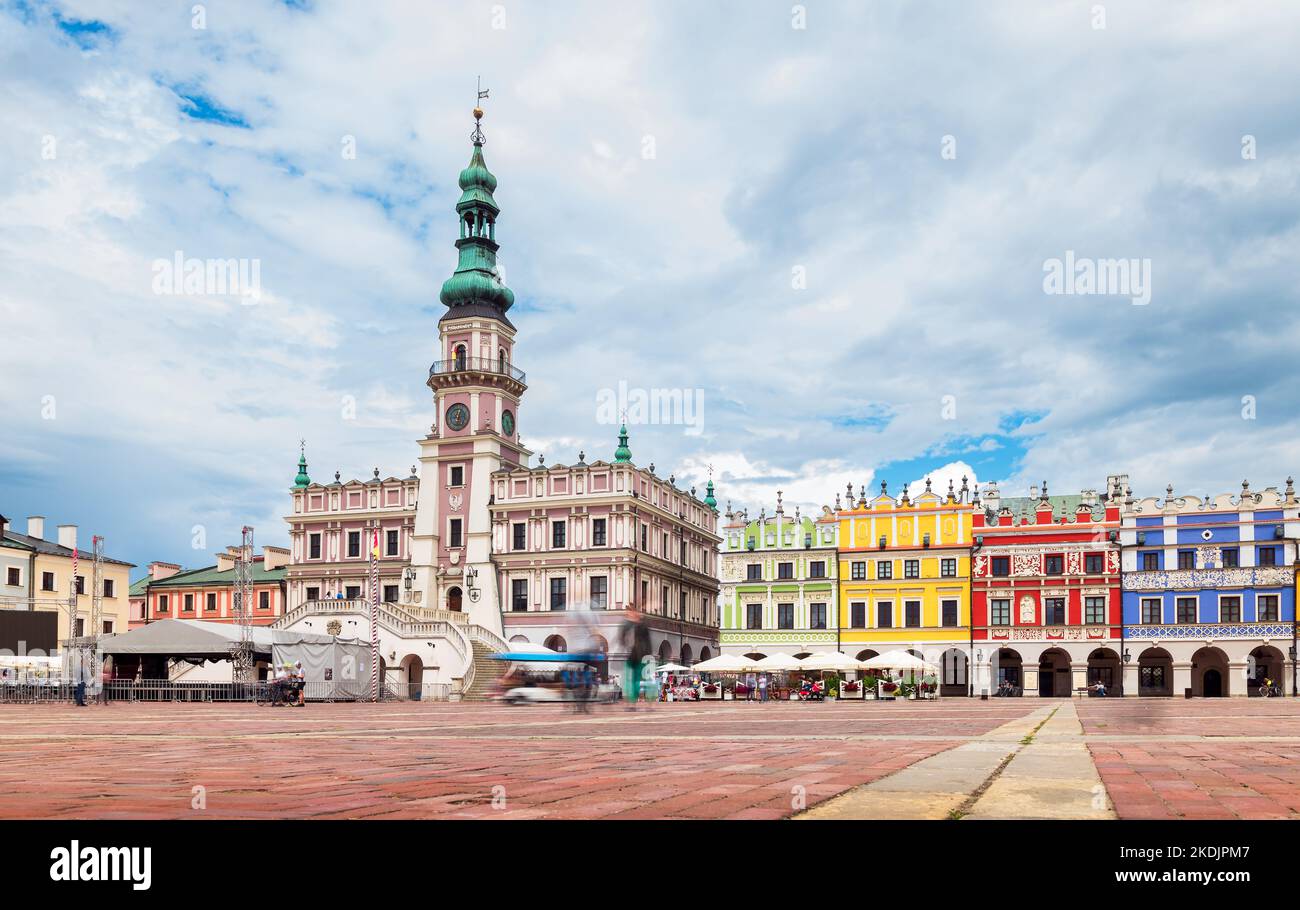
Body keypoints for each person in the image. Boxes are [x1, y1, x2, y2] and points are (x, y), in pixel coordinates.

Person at [619, 609, 652, 709]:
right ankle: (631, 702)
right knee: (629, 679)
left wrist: (648, 654)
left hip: (640, 656)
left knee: (637, 680)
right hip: (630, 655)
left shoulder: (642, 626)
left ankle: (635, 702)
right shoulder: (627, 625)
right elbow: (622, 637)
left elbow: (647, 641)